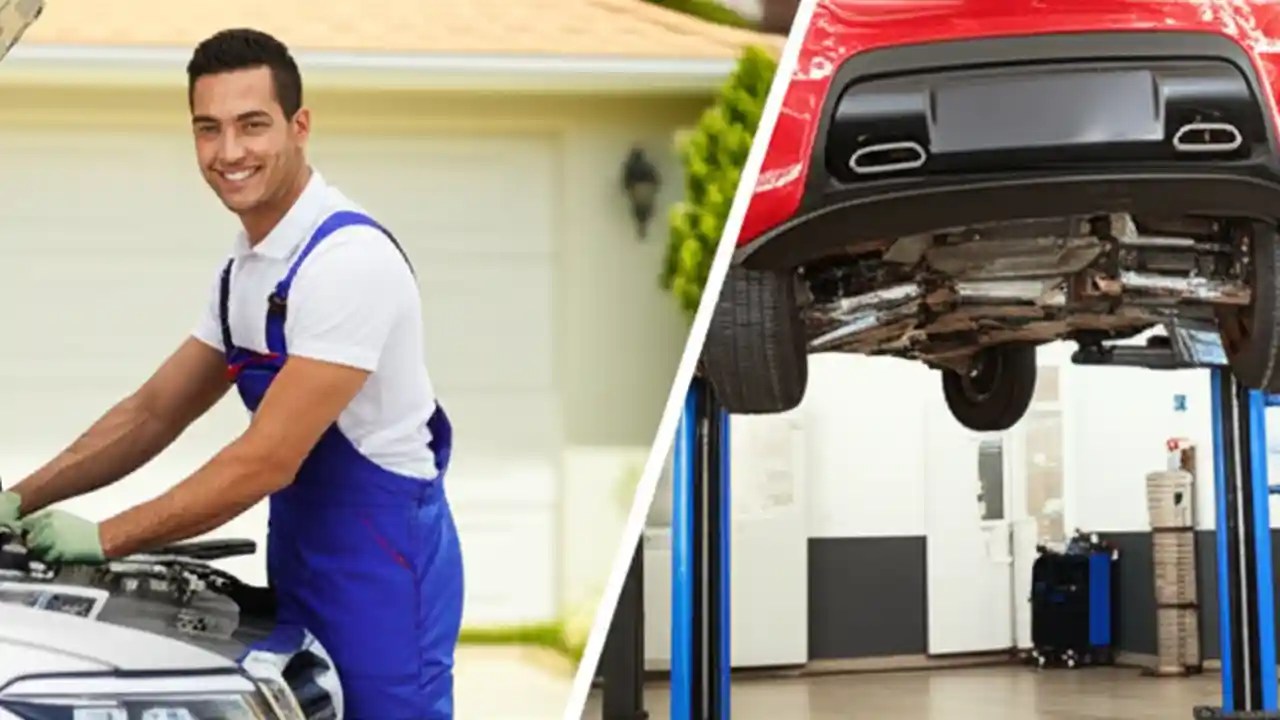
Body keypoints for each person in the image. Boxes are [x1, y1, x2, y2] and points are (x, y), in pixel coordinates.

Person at [0, 27, 464, 719]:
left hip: (384, 572)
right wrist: (20, 498)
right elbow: (154, 412)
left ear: (299, 126)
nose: (229, 152)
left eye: (252, 125)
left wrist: (103, 538)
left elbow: (264, 460)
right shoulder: (244, 270)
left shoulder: (347, 263)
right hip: (304, 555)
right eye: (208, 128)